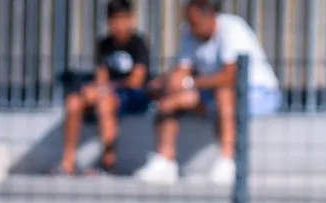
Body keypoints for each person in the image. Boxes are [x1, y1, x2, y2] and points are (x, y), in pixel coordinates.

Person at [134, 0, 281, 185]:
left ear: (209, 15)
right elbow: (182, 71)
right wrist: (167, 82)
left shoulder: (231, 29)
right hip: (213, 95)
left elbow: (231, 76)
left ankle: (228, 161)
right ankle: (165, 160)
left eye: (195, 23)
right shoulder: (191, 33)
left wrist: (188, 82)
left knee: (224, 92)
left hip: (258, 94)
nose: (191, 28)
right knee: (170, 101)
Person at [56, 0, 150, 176]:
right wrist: (93, 91)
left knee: (104, 103)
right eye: (114, 20)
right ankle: (67, 162)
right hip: (108, 93)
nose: (119, 25)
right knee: (73, 102)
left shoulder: (139, 44)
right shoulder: (104, 44)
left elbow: (136, 81)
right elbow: (101, 78)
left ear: (131, 19)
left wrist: (106, 89)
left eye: (123, 19)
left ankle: (108, 163)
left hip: (132, 97)